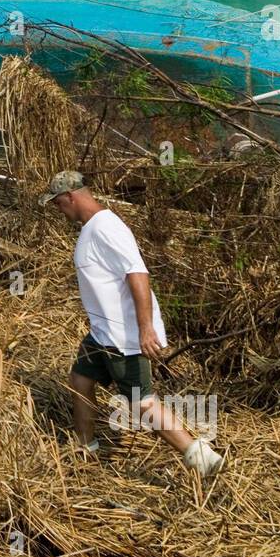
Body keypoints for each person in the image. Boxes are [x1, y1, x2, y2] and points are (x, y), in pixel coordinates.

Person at [40, 170, 223, 478]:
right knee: (80, 380)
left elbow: (137, 273)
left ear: (71, 196)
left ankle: (200, 456)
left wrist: (145, 327)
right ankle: (85, 449)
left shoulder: (105, 227)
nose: (59, 210)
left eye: (58, 203)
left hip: (122, 336)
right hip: (101, 334)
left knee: (142, 402)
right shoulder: (91, 228)